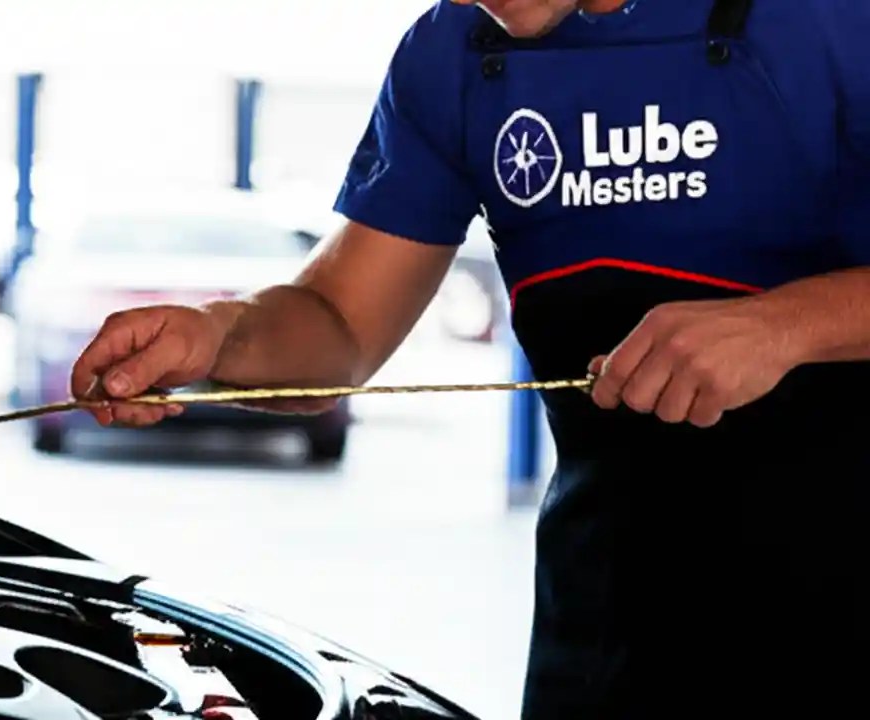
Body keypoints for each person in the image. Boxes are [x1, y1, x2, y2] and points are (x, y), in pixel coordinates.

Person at [71, 0, 869, 716]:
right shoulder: (450, 55)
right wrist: (219, 337)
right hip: (605, 632)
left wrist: (785, 326)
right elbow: (338, 325)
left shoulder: (827, 20)